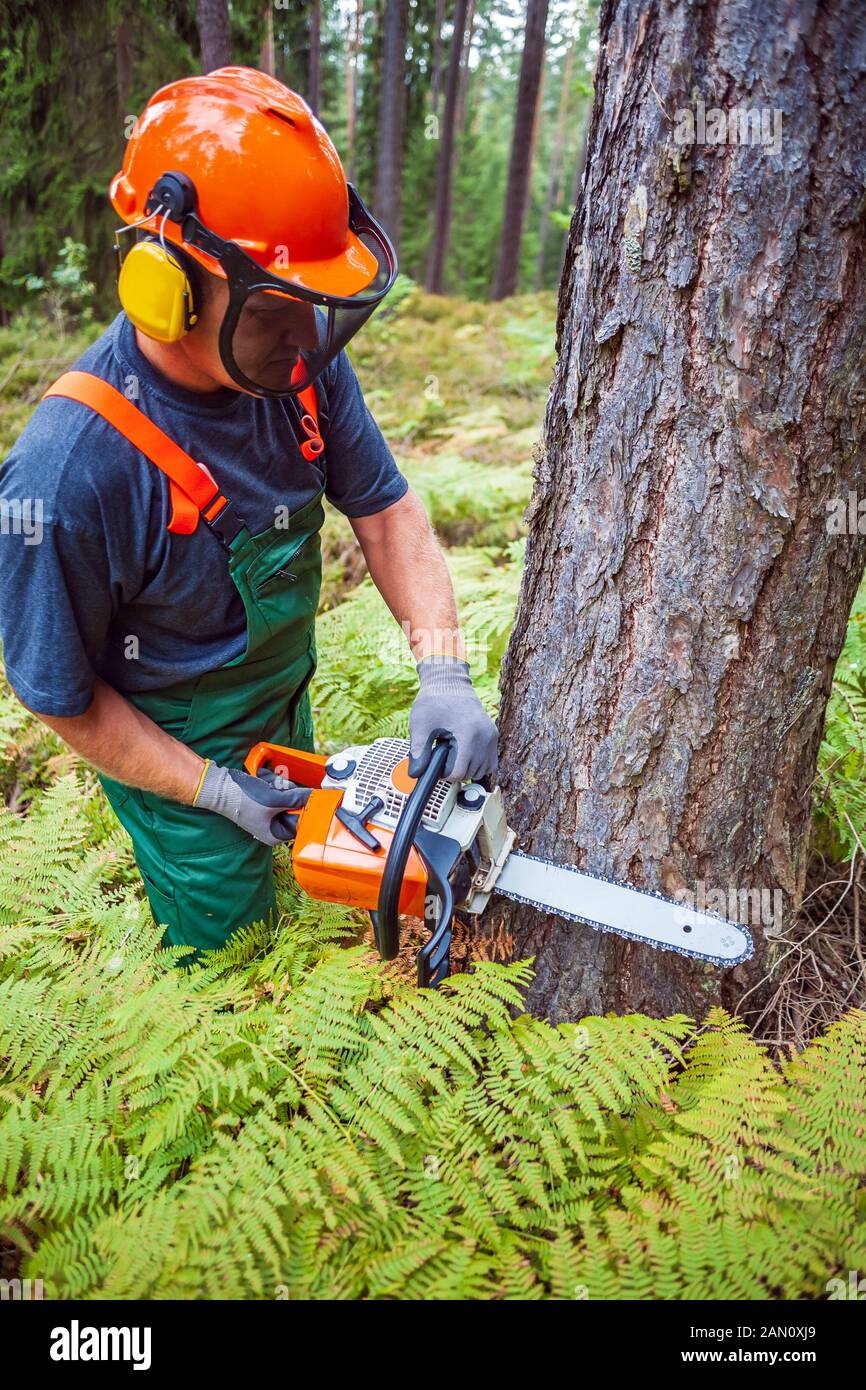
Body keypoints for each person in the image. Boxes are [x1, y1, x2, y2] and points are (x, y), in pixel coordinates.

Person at [0, 67, 497, 957]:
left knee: (304, 894)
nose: (307, 338)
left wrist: (444, 672)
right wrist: (216, 794)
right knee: (230, 962)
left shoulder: (292, 363)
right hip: (167, 741)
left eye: (314, 308)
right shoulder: (68, 475)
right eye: (277, 309)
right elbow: (63, 702)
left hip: (281, 694)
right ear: (168, 283)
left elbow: (385, 514)